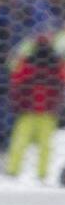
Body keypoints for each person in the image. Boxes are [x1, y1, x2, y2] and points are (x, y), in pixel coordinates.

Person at [5, 36, 65, 182]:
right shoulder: (56, 66)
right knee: (44, 146)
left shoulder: (27, 64)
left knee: (21, 142)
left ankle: (13, 170)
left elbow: (15, 77)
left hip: (31, 110)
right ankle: (41, 173)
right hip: (44, 111)